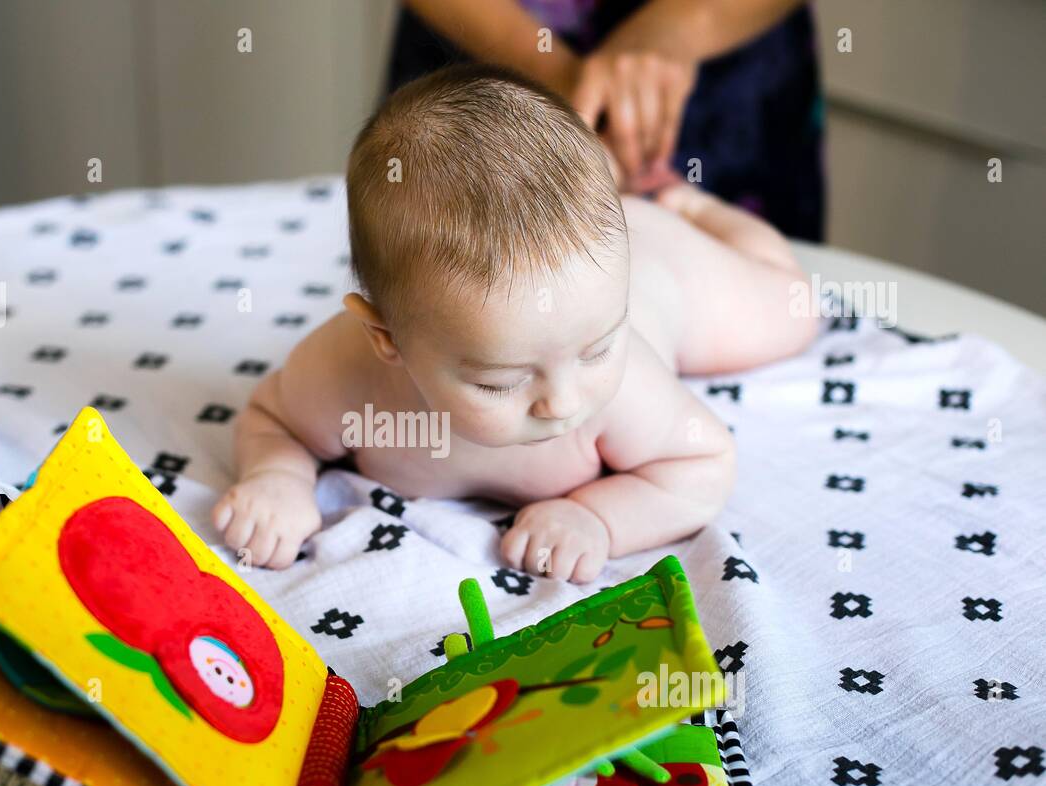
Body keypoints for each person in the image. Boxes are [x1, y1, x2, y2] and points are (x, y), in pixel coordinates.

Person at [213, 66, 815, 582]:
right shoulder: (341, 376)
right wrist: (277, 478)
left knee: (792, 311)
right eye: (501, 382)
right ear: (386, 339)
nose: (563, 401)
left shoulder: (624, 389)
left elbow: (702, 464)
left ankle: (691, 209)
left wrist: (600, 518)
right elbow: (272, 417)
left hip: (667, 269)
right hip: (597, 269)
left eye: (599, 348)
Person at [387, 0, 824, 241]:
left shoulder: (718, 271)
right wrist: (554, 73)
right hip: (473, 59)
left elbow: (787, 308)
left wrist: (683, 24)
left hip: (735, 79)